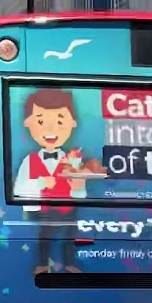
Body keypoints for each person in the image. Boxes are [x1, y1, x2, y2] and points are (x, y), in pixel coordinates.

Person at [11, 88, 106, 275]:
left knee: (71, 234)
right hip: (44, 210)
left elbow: (79, 195)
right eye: (40, 121)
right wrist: (41, 183)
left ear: (72, 123)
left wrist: (78, 185)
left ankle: (69, 263)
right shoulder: (29, 160)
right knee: (45, 234)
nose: (50, 130)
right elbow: (18, 190)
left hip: (68, 208)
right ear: (28, 122)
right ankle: (42, 264)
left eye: (60, 121)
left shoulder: (71, 161)